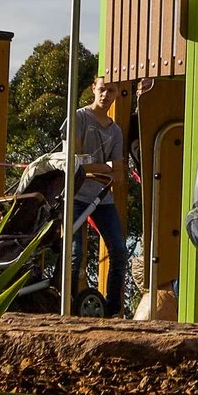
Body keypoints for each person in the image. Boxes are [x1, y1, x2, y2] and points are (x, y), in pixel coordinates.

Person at [70, 79, 130, 315]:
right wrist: (104, 168)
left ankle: (113, 309)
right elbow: (74, 162)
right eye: (102, 89)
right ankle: (69, 305)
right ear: (93, 88)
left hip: (102, 198)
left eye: (111, 90)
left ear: (117, 94)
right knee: (74, 254)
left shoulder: (115, 131)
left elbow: (119, 174)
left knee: (119, 250)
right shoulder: (80, 118)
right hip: (76, 195)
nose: (105, 94)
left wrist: (94, 168)